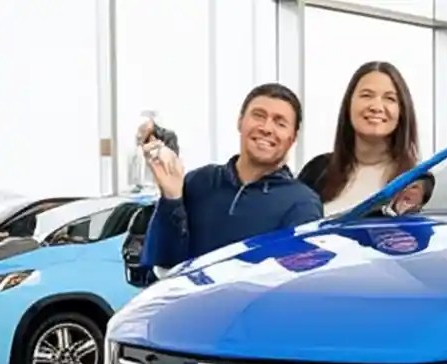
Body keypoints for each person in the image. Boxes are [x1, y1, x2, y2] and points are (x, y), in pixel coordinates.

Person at [138, 83, 323, 275]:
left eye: (280, 123)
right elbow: (164, 268)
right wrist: (171, 197)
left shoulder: (302, 203)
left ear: (292, 138)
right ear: (240, 122)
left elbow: (295, 280)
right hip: (185, 302)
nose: (267, 128)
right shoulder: (199, 181)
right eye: (258, 116)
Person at [298, 61, 421, 216]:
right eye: (366, 95)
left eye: (389, 98)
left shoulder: (417, 182)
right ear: (349, 105)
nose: (376, 106)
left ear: (402, 111)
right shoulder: (317, 171)